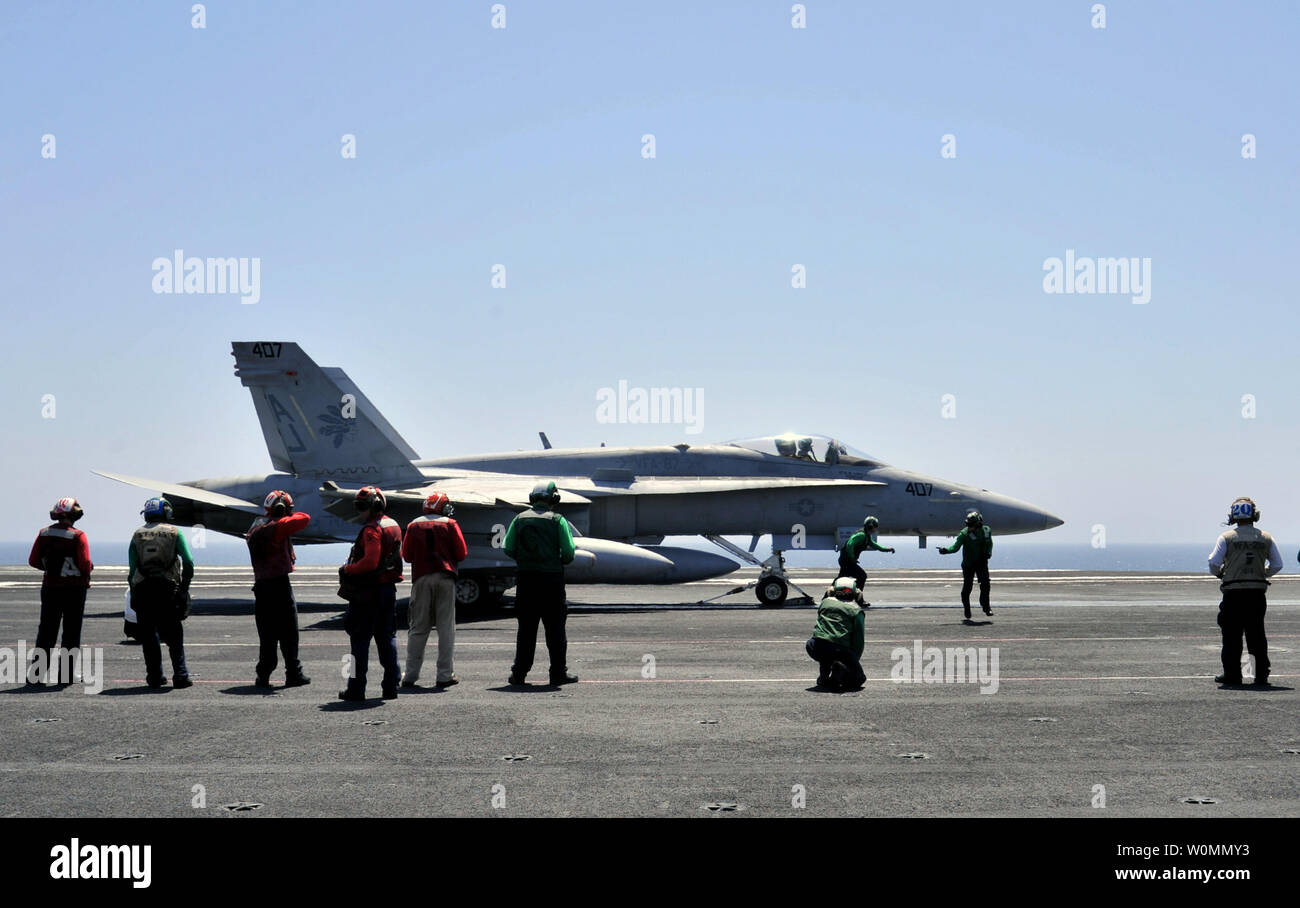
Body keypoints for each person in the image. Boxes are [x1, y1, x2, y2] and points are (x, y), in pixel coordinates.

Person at [504, 481, 577, 686]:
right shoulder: (558, 520)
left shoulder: (519, 519)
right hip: (551, 581)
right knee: (555, 630)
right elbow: (569, 552)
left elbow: (508, 548)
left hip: (526, 580)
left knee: (526, 630)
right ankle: (557, 674)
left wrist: (525, 559)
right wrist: (556, 561)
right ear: (554, 499)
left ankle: (519, 674)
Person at [338, 486, 403, 701]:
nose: (359, 512)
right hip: (387, 591)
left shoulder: (371, 530)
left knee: (358, 643)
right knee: (387, 638)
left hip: (367, 592)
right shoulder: (393, 524)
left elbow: (370, 562)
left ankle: (354, 689)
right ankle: (391, 686)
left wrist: (347, 570)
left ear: (374, 506)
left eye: (362, 507)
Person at [1208, 497, 1282, 686]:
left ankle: (1233, 675)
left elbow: (1214, 563)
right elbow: (1277, 564)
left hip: (1233, 593)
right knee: (1256, 634)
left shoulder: (1226, 537)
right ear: (1254, 515)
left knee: (1231, 636)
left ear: (1233, 515)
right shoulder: (1266, 537)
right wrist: (1261, 573)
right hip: (1256, 593)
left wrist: (1222, 574)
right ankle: (1261, 676)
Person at [401, 492, 468, 689]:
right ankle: (444, 675)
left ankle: (410, 676)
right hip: (446, 579)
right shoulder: (451, 524)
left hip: (422, 578)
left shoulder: (414, 525)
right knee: (446, 629)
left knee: (418, 628)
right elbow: (461, 553)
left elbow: (407, 556)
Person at [246, 490, 312, 689]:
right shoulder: (277, 527)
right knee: (289, 632)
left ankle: (263, 676)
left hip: (262, 587)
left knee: (267, 635)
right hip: (279, 586)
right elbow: (304, 519)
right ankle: (293, 673)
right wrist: (287, 513)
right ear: (282, 509)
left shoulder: (256, 526)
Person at [128, 498, 194, 689]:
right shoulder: (174, 532)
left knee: (148, 636)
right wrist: (184, 588)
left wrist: (133, 594)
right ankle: (181, 675)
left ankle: (154, 677)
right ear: (166, 512)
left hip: (143, 590)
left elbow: (132, 571)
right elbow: (188, 562)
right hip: (167, 588)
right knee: (174, 634)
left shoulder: (137, 534)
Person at [27, 497, 93, 686]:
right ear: (74, 514)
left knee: (46, 631)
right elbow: (85, 564)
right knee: (71, 632)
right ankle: (66, 675)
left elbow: (33, 560)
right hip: (74, 589)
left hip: (50, 588)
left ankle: (36, 674)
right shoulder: (78, 535)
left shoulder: (44, 533)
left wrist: (51, 568)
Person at [806, 577, 867, 691]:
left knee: (826, 650)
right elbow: (859, 641)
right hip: (839, 650)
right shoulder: (856, 611)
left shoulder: (825, 603)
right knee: (859, 678)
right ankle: (837, 675)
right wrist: (852, 661)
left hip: (814, 646)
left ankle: (824, 677)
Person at [938, 510, 993, 620]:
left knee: (985, 584)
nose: (969, 527)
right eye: (967, 524)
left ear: (978, 524)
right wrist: (946, 550)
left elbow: (990, 543)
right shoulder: (964, 534)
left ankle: (986, 607)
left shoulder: (987, 531)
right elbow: (955, 547)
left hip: (981, 562)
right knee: (967, 588)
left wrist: (989, 553)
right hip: (968, 564)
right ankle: (967, 607)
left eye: (971, 525)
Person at [837, 516, 895, 597]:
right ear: (871, 526)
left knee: (840, 579)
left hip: (846, 561)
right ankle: (856, 597)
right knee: (862, 576)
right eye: (875, 526)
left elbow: (876, 546)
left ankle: (831, 596)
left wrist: (888, 549)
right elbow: (850, 544)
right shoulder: (861, 535)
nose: (876, 529)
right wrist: (852, 557)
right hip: (847, 561)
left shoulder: (867, 537)